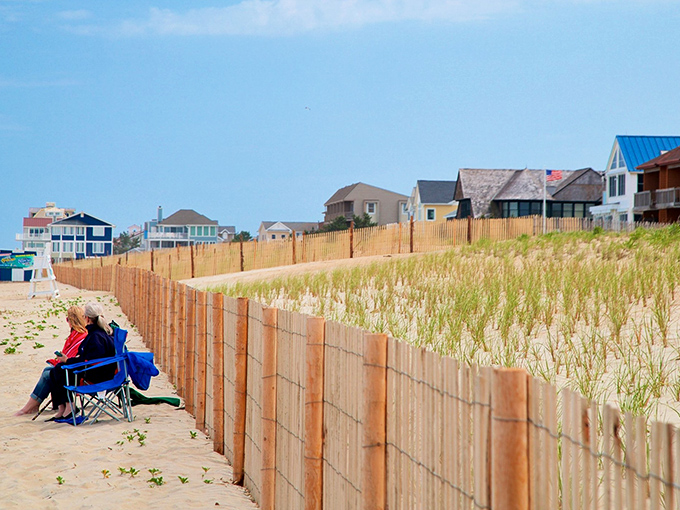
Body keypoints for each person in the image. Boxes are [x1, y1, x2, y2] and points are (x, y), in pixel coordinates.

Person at [14, 306, 88, 416]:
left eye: (68, 320)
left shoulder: (81, 336)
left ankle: (31, 407)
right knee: (48, 371)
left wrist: (63, 359)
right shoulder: (75, 335)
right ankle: (51, 406)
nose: (67, 322)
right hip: (75, 368)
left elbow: (72, 358)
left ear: (73, 321)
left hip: (79, 373)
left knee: (49, 373)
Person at [48, 302, 116, 421]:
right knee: (57, 369)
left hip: (98, 375)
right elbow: (89, 357)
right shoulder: (101, 333)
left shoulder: (95, 337)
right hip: (102, 371)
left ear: (88, 318)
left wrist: (68, 360)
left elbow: (89, 359)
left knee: (60, 370)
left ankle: (70, 407)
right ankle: (62, 408)